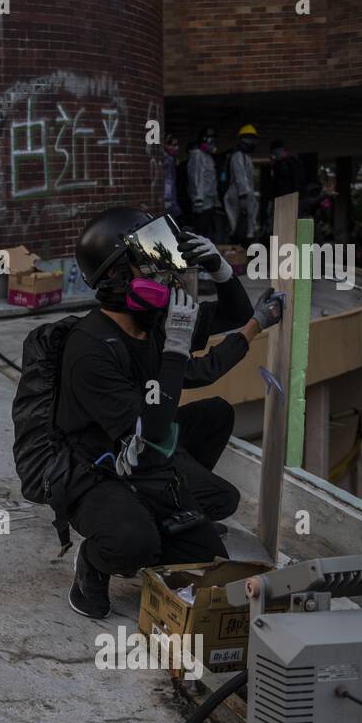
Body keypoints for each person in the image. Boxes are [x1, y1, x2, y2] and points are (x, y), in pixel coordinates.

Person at [59, 207, 284, 618]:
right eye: (148, 264)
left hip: (147, 461)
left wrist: (221, 271)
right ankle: (93, 560)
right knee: (134, 545)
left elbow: (232, 315)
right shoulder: (90, 349)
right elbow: (152, 428)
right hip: (99, 471)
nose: (164, 274)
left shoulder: (155, 322)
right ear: (115, 278)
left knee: (215, 520)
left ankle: (160, 516)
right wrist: (177, 349)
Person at [224, 124, 259, 244]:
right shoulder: (238, 156)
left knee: (246, 228)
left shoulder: (246, 157)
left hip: (245, 197)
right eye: (250, 139)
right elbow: (240, 178)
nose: (252, 142)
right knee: (237, 228)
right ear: (243, 139)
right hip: (239, 197)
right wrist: (243, 199)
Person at [187, 127, 219, 238]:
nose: (212, 144)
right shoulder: (197, 155)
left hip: (209, 202)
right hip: (201, 204)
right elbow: (195, 178)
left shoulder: (209, 157)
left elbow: (210, 180)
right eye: (210, 141)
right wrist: (197, 201)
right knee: (200, 234)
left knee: (207, 233)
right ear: (203, 140)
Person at [162, 134, 182, 221]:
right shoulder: (167, 159)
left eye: (177, 145)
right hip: (168, 199)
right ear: (166, 145)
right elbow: (168, 180)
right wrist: (168, 199)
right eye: (174, 145)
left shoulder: (170, 159)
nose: (176, 148)